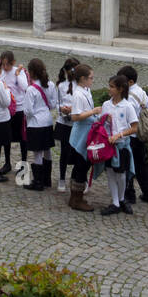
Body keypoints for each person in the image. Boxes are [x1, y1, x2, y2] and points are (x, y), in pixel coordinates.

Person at [96, 74, 138, 216]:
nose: (109, 89)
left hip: (121, 146)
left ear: (120, 89)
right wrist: (104, 119)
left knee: (121, 175)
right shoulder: (106, 105)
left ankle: (121, 199)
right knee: (110, 174)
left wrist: (119, 135)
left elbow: (134, 128)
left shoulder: (128, 106)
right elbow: (99, 124)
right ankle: (115, 202)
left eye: (112, 87)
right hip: (109, 146)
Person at [59, 63, 99, 212]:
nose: (92, 80)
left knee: (81, 166)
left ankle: (76, 197)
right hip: (81, 135)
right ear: (82, 79)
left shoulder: (85, 90)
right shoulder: (78, 93)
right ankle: (77, 199)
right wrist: (93, 111)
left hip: (86, 133)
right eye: (90, 78)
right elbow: (75, 117)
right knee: (81, 167)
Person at [117, 65, 148, 206]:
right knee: (141, 166)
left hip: (131, 136)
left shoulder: (129, 96)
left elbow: (128, 117)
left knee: (129, 165)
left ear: (130, 82)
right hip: (141, 135)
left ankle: (130, 195)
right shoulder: (141, 92)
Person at [21, 58, 58, 192]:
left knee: (37, 153)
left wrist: (33, 116)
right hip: (47, 121)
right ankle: (46, 179)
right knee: (47, 150)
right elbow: (53, 104)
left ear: (31, 72)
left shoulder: (31, 89)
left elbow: (28, 110)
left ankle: (37, 182)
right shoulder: (51, 85)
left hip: (36, 123)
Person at [0, 50, 30, 177]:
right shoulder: (1, 72)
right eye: (3, 65)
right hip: (7, 109)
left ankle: (23, 163)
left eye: (8, 65)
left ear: (13, 63)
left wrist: (17, 74)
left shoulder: (19, 71)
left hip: (19, 109)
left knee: (23, 138)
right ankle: (7, 162)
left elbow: (25, 87)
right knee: (7, 137)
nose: (5, 68)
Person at [54, 58, 80, 193]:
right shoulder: (61, 86)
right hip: (64, 122)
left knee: (77, 152)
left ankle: (77, 178)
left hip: (76, 122)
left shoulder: (82, 86)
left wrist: (74, 109)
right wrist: (62, 109)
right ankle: (62, 178)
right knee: (64, 152)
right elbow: (57, 103)